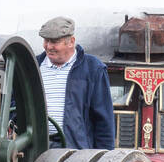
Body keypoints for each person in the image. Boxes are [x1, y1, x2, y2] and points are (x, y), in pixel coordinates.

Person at [35, 16, 114, 149]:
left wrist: (104, 160)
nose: (48, 47)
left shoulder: (94, 69)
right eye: (46, 41)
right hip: (36, 148)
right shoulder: (33, 66)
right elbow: (15, 106)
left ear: (71, 41)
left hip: (76, 153)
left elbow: (103, 120)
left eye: (54, 42)